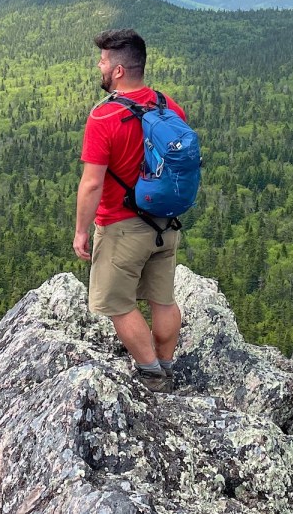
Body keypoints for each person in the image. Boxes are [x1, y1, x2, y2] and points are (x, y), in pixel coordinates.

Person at [73, 29, 185, 392]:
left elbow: (91, 184)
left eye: (104, 61)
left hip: (121, 227)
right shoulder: (168, 106)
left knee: (116, 303)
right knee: (162, 300)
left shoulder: (104, 117)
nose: (99, 66)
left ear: (119, 71)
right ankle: (166, 365)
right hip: (166, 224)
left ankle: (152, 374)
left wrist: (81, 231)